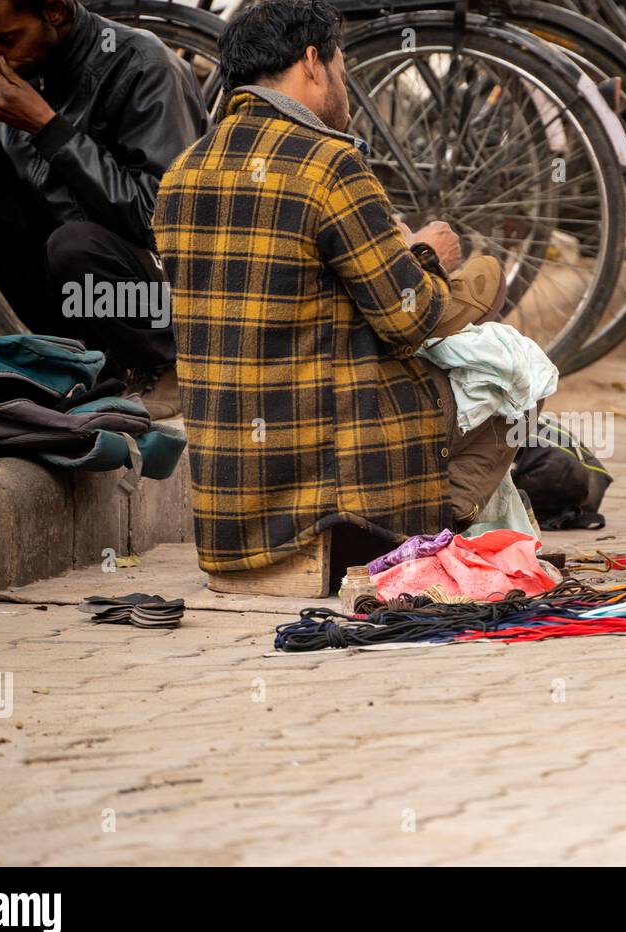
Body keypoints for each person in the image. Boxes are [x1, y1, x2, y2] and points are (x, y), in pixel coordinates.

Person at [153, 0, 521, 574]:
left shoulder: (181, 173)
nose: (345, 87)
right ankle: (430, 534)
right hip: (333, 515)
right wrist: (424, 252)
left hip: (228, 521)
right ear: (312, 63)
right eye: (343, 69)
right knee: (508, 366)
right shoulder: (330, 164)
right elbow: (410, 319)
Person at [0, 0, 206, 418]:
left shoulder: (143, 66)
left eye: (5, 39)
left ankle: (164, 364)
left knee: (74, 244)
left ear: (53, 11)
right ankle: (83, 359)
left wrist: (50, 130)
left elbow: (162, 222)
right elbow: (25, 225)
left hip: (168, 294)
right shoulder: (0, 78)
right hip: (83, 282)